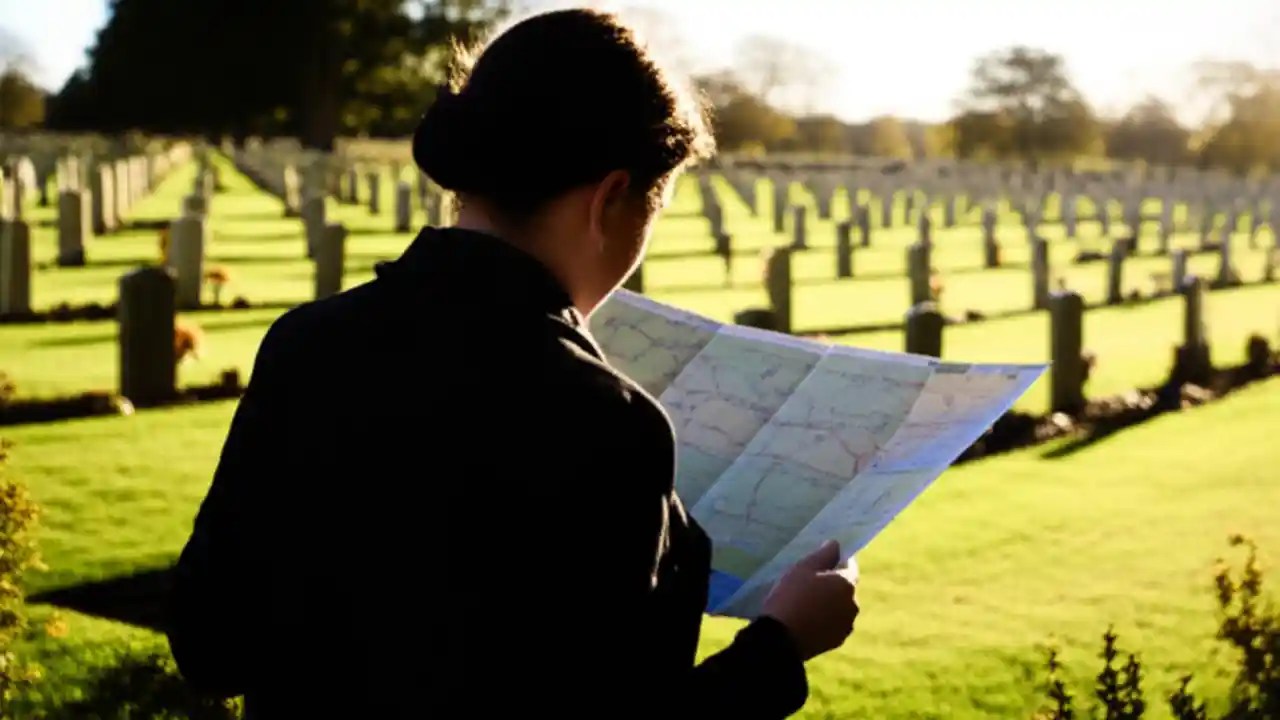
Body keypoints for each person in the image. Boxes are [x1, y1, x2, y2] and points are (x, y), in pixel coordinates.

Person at [166, 8, 858, 718]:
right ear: (612, 198)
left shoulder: (306, 343)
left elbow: (210, 642)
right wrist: (782, 642)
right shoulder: (605, 421)